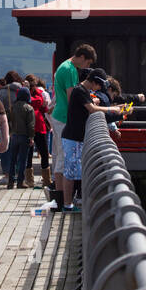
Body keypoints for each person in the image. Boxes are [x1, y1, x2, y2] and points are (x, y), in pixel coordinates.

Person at [60, 68, 120, 211]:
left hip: (77, 137)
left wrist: (116, 109)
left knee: (76, 171)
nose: (99, 89)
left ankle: (73, 202)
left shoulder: (83, 91)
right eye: (99, 86)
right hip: (73, 137)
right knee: (70, 172)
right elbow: (92, 108)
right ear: (94, 82)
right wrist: (114, 110)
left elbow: (92, 105)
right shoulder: (79, 91)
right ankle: (67, 205)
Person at [51, 44, 96, 200]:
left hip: (59, 115)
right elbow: (72, 97)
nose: (87, 67)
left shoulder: (65, 66)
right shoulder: (70, 69)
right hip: (64, 116)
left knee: (59, 156)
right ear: (82, 57)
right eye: (88, 63)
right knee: (64, 157)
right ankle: (63, 198)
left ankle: (59, 196)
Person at [6, 85, 35, 189]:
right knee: (22, 160)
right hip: (24, 136)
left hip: (14, 136)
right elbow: (31, 125)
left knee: (12, 159)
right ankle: (20, 182)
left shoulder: (12, 107)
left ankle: (10, 182)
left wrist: (10, 131)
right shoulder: (29, 108)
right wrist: (31, 137)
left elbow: (7, 120)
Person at [26, 75, 51, 188]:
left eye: (34, 85)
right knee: (29, 153)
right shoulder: (23, 92)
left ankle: (46, 179)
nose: (33, 87)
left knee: (44, 152)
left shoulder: (39, 93)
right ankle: (29, 179)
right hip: (29, 126)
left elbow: (44, 109)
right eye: (32, 85)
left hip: (40, 125)